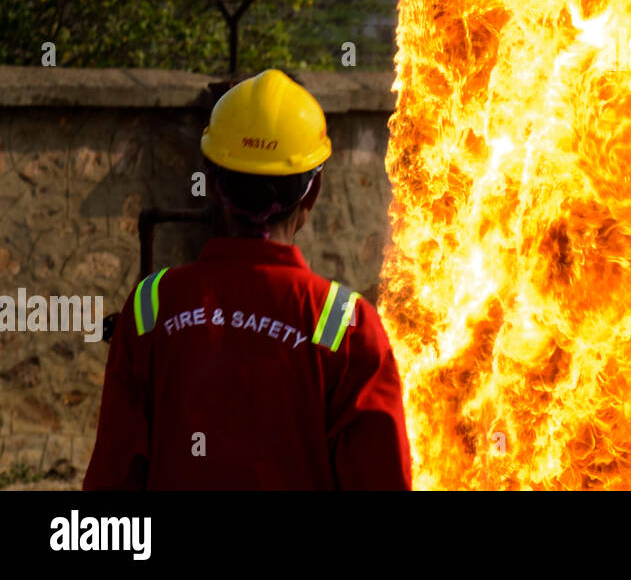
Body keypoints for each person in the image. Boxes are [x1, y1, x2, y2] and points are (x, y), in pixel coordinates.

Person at [84, 69, 411, 490]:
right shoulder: (348, 328)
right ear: (313, 192)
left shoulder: (152, 307)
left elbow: (113, 477)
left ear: (216, 185)